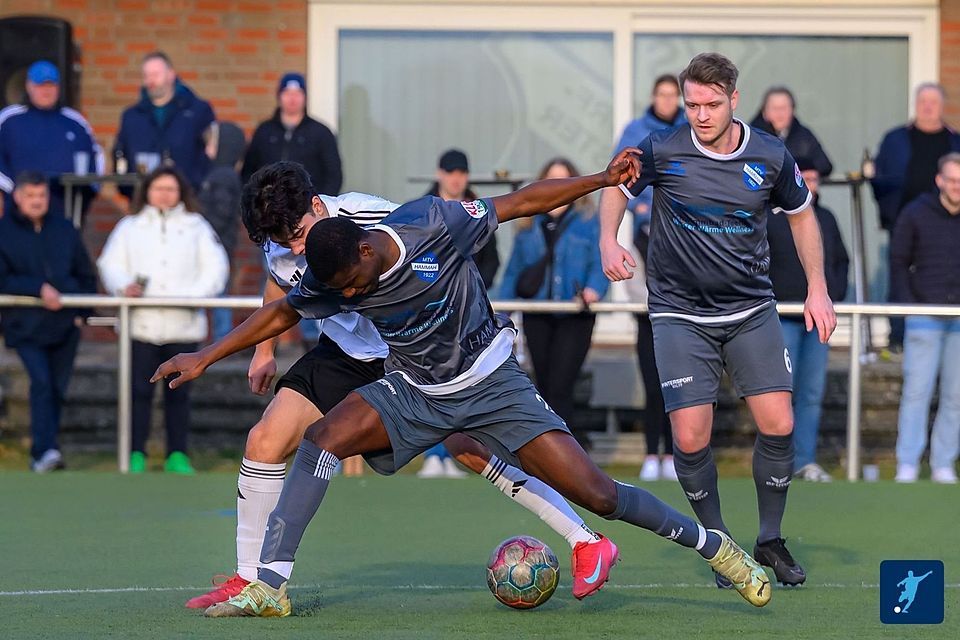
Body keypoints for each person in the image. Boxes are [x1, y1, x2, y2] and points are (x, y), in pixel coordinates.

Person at [154, 150, 773, 618]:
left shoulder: (432, 225)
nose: (344, 299)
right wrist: (208, 355)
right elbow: (287, 308)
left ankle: (709, 543)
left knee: (599, 493)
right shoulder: (326, 268)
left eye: (348, 288)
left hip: (491, 386)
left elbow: (523, 201)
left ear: (365, 252)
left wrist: (604, 181)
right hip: (412, 388)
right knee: (319, 440)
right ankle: (268, 583)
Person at [182, 161, 620, 608]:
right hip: (344, 354)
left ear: (318, 205)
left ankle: (584, 539)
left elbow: (442, 257)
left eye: (297, 235)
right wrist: (264, 351)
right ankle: (251, 578)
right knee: (264, 439)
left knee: (470, 450)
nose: (295, 250)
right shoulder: (281, 240)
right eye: (282, 242)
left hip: (412, 357)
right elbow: (280, 290)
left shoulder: (375, 218)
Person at [598, 53, 837, 589]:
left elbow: (803, 217)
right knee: (689, 436)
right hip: (680, 313)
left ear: (733, 98)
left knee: (780, 422)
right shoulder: (661, 148)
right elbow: (615, 187)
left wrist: (818, 289)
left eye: (711, 104)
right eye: (692, 104)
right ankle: (721, 545)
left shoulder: (771, 155)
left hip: (751, 309)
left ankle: (770, 539)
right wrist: (606, 241)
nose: (700, 115)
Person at [97, 167, 228, 474]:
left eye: (171, 189)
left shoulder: (196, 226)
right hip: (140, 326)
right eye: (158, 188)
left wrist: (193, 296)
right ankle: (135, 454)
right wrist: (123, 286)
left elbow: (216, 268)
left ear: (181, 192)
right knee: (138, 393)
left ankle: (177, 454)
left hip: (182, 326)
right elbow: (110, 263)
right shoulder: (130, 226)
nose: (164, 194)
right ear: (147, 191)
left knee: (178, 394)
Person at [498, 157, 608, 438]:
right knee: (543, 386)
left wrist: (594, 289)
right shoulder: (529, 223)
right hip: (538, 313)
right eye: (551, 182)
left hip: (575, 314)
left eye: (564, 181)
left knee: (561, 385)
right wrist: (498, 312)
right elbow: (514, 270)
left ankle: (568, 457)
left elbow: (600, 263)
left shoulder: (588, 221)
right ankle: (549, 455)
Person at [614, 75, 685, 482]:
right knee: (650, 374)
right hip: (646, 233)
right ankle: (651, 452)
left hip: (680, 232)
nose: (667, 100)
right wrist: (640, 212)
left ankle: (676, 454)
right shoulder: (636, 131)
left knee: (679, 378)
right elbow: (619, 176)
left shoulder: (688, 131)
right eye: (662, 93)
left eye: (672, 94)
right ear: (653, 97)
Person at [0, 171, 97, 471]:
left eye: (41, 196)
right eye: (30, 196)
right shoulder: (3, 232)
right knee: (41, 383)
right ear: (17, 197)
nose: (36, 202)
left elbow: (85, 273)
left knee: (57, 387)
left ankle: (48, 447)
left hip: (64, 327)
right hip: (25, 325)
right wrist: (37, 288)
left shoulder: (65, 229)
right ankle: (43, 451)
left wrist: (82, 313)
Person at [419, 148, 500, 476]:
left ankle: (454, 454)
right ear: (440, 174)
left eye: (461, 173)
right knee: (429, 381)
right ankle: (432, 456)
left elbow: (492, 259)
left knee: (461, 383)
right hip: (429, 311)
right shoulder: (422, 210)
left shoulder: (478, 211)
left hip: (467, 311)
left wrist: (476, 286)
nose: (456, 179)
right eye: (450, 172)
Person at [768, 159, 849, 482]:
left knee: (812, 392)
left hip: (817, 320)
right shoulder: (770, 218)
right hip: (782, 317)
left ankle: (804, 460)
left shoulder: (826, 218)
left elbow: (841, 261)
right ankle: (778, 463)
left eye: (815, 179)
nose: (811, 184)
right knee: (779, 392)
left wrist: (834, 295)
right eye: (806, 177)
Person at [871, 83, 960, 351]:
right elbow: (880, 180)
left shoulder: (955, 140)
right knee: (899, 275)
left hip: (949, 223)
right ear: (915, 104)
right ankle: (897, 337)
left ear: (942, 106)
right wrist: (890, 215)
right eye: (923, 101)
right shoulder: (895, 139)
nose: (928, 106)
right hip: (904, 221)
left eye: (933, 101)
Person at [889, 152, 960, 485]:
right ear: (939, 180)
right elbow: (899, 261)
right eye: (952, 179)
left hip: (958, 320)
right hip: (924, 317)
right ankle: (908, 463)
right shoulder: (916, 213)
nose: (957, 186)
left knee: (955, 395)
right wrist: (910, 306)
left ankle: (943, 463)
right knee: (916, 393)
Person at [0, 60, 104, 220]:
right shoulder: (9, 119)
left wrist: (88, 192)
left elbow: (96, 157)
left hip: (65, 208)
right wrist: (13, 189)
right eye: (41, 85)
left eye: (51, 85)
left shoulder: (75, 121)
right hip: (17, 209)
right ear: (29, 86)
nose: (46, 91)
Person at [114, 51, 216, 194]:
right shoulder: (131, 116)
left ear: (170, 75)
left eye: (155, 74)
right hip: (143, 198)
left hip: (189, 197)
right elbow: (120, 154)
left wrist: (197, 184)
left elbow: (211, 152)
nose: (150, 80)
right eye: (146, 75)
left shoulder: (198, 111)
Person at [241, 73, 342, 197]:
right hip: (268, 208)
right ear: (279, 96)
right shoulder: (264, 131)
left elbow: (334, 176)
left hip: (308, 209)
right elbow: (248, 172)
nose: (292, 98)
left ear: (305, 97)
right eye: (287, 93)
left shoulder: (321, 133)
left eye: (298, 93)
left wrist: (320, 206)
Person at [198, 121, 246, 341]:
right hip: (219, 241)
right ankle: (221, 336)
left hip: (218, 243)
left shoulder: (223, 177)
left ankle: (222, 338)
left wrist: (203, 228)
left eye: (212, 145)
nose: (207, 150)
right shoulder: (219, 174)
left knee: (219, 290)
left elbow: (223, 212)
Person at [750, 87, 833, 177]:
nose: (780, 114)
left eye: (784, 108)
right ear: (764, 112)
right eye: (774, 108)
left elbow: (825, 166)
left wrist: (803, 169)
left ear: (793, 110)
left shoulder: (804, 136)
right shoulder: (752, 136)